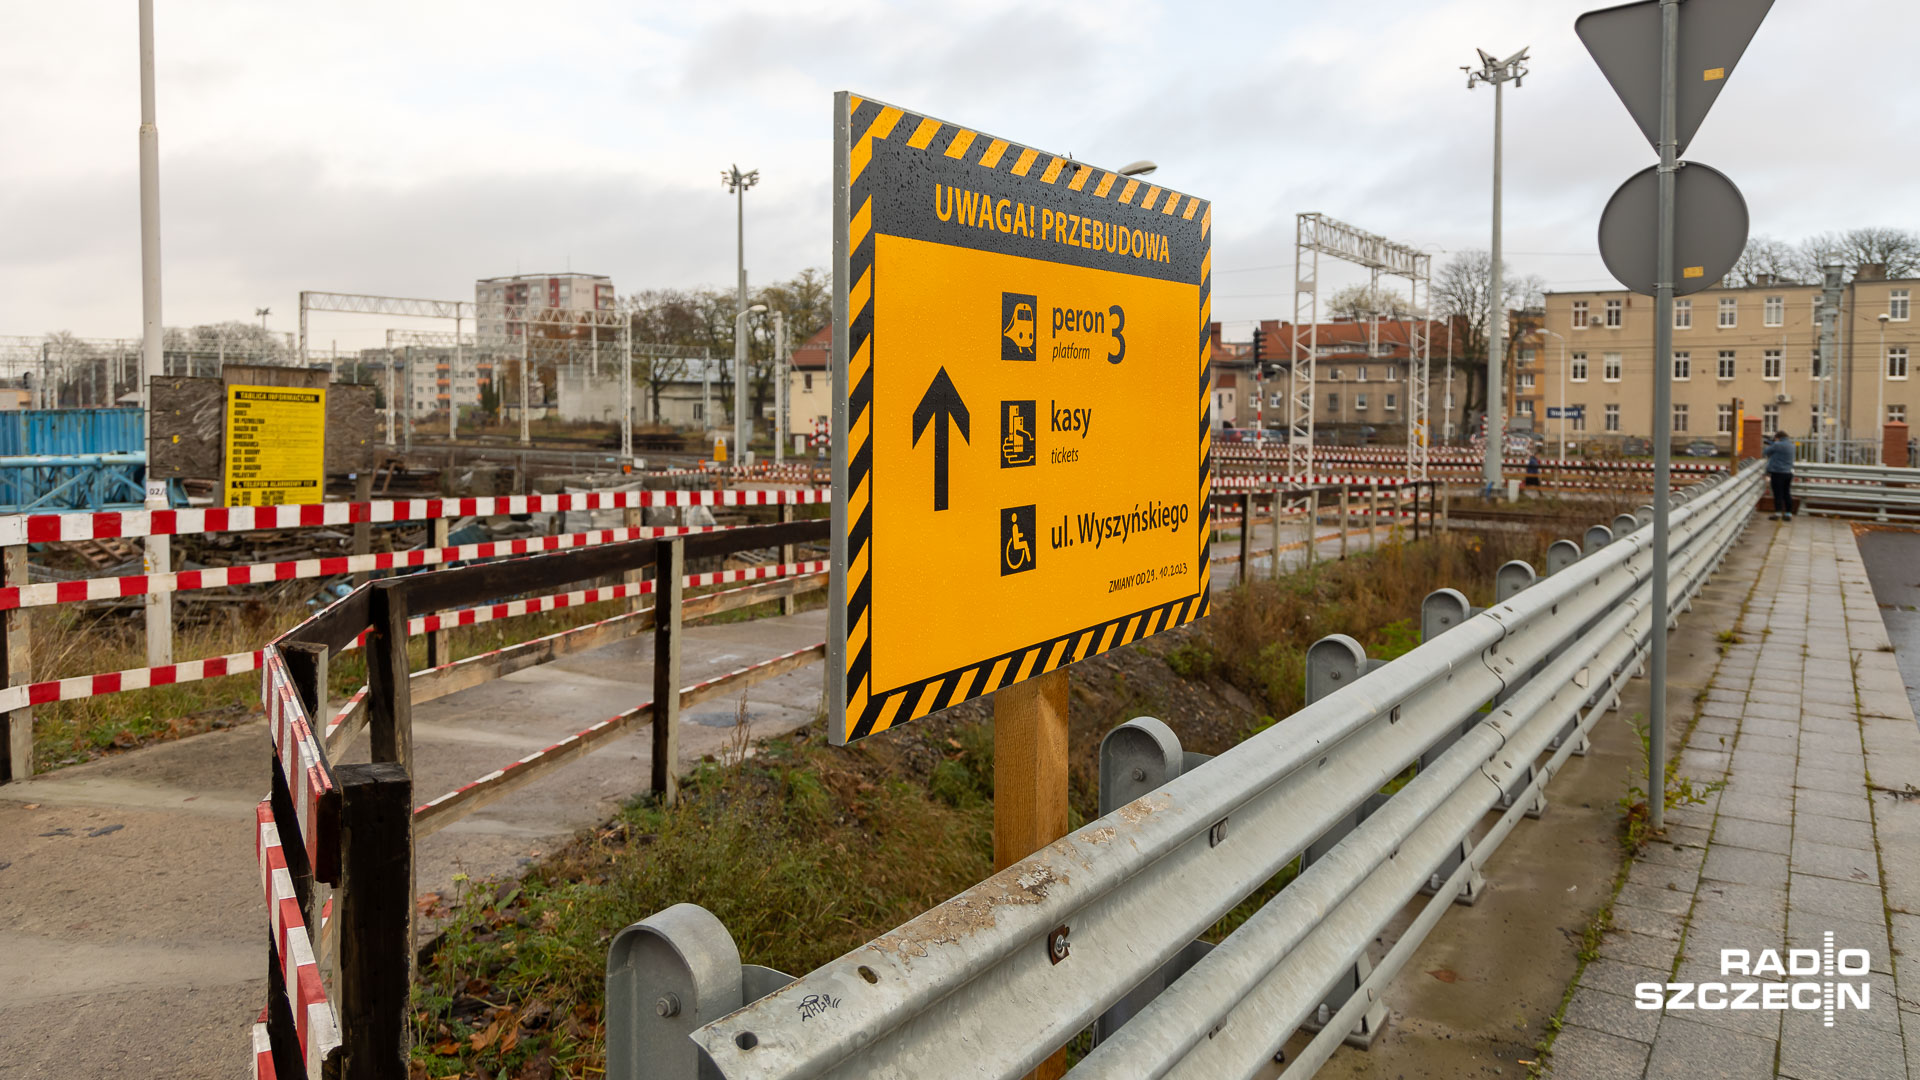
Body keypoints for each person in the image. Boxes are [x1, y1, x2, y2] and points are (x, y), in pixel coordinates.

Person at [1764, 430, 1795, 521]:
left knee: (1778, 494)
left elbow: (1766, 451)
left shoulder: (1777, 445)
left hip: (1777, 472)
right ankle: (1788, 513)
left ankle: (1778, 513)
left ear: (1778, 438)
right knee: (1786, 493)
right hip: (1788, 473)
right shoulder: (1792, 445)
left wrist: (1771, 444)